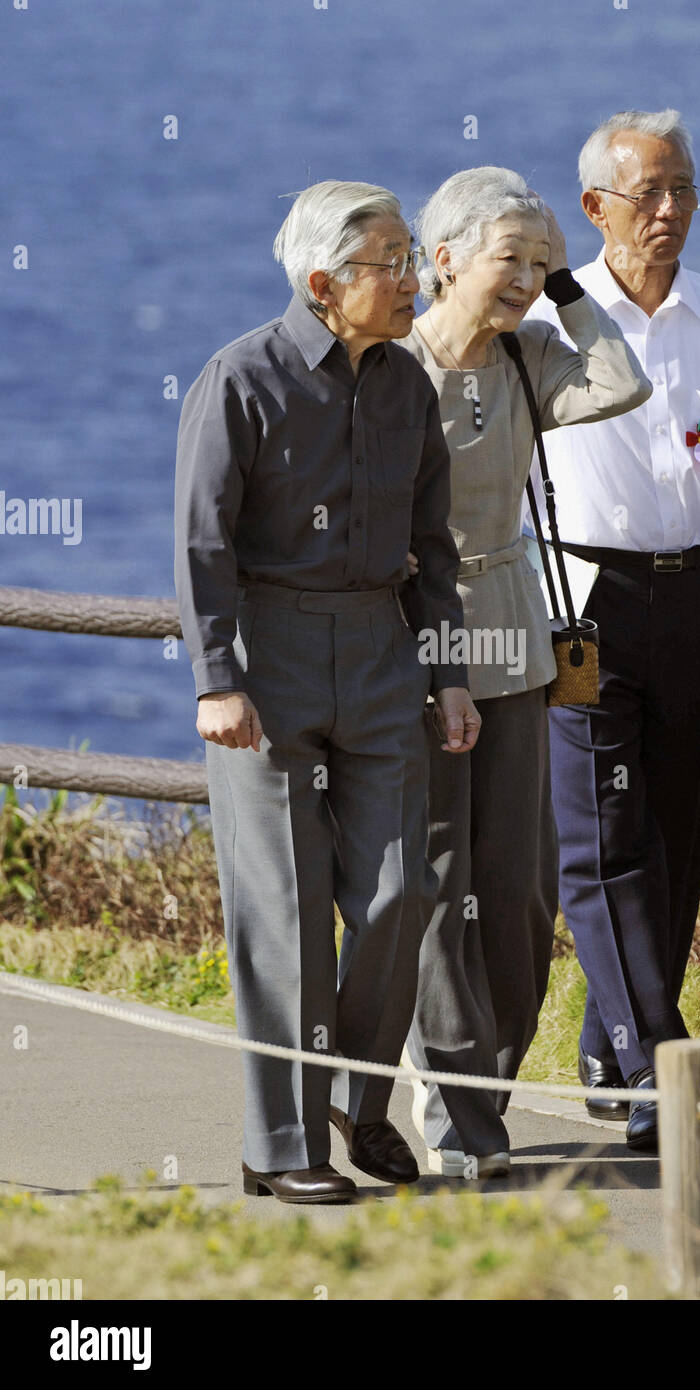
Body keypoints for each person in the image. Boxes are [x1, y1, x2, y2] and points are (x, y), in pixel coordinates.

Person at [174, 180, 480, 1204]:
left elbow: (433, 548)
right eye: (389, 262)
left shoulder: (407, 386)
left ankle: (349, 1091)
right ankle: (283, 1146)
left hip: (385, 652)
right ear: (321, 284)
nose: (411, 277)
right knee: (289, 915)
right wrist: (217, 680)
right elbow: (202, 543)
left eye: (410, 258)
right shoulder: (238, 379)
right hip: (269, 659)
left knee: (403, 890)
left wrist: (448, 675)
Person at [527, 110, 700, 1149]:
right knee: (598, 840)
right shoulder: (545, 324)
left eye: (683, 190)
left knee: (678, 831)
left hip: (696, 600)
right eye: (646, 193)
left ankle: (609, 1044)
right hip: (579, 606)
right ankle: (661, 1072)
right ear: (594, 207)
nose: (668, 212)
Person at [400, 166, 651, 1177]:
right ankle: (455, 1108)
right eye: (512, 257)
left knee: (517, 890)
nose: (527, 278)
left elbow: (620, 384)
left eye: (542, 261)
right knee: (436, 876)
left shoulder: (525, 354)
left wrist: (561, 293)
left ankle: (481, 1088)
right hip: (416, 639)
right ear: (444, 258)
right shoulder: (389, 369)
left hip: (512, 636)